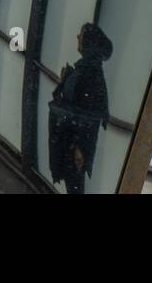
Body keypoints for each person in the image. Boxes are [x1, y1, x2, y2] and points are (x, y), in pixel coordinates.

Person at [48, 22, 112, 194]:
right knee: (74, 186)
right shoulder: (87, 68)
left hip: (74, 143)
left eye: (81, 34)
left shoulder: (89, 71)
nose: (78, 37)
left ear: (89, 41)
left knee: (75, 186)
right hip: (71, 140)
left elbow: (86, 113)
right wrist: (65, 81)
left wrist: (80, 146)